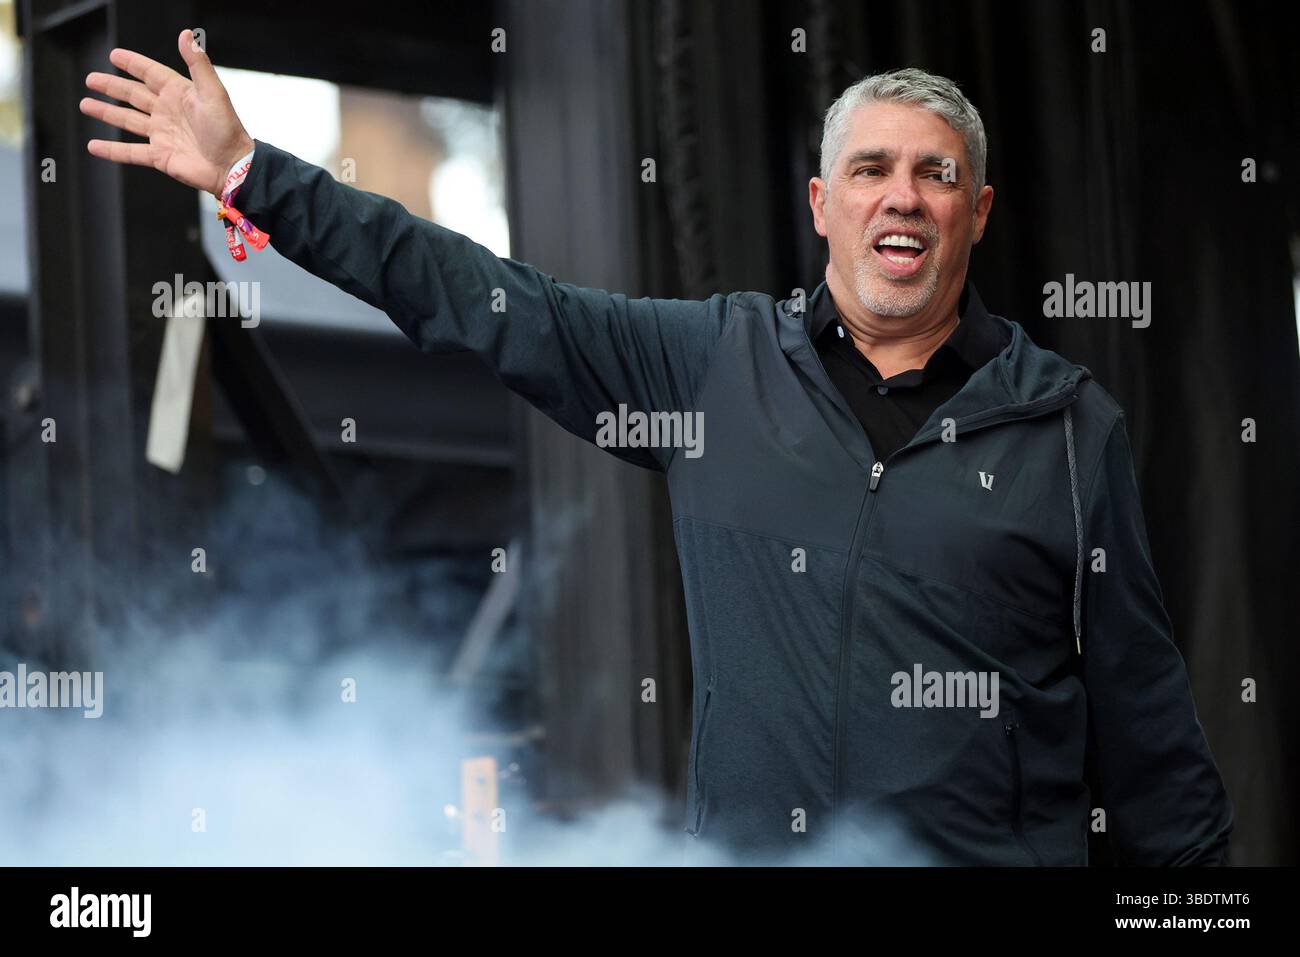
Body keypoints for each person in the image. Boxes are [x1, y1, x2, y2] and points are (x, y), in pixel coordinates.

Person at [82, 30, 1233, 865]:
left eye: (937, 174)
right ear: (823, 202)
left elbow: (1148, 738)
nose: (906, 197)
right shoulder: (709, 366)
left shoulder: (1069, 429)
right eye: (874, 170)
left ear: (975, 212)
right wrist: (255, 177)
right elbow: (481, 296)